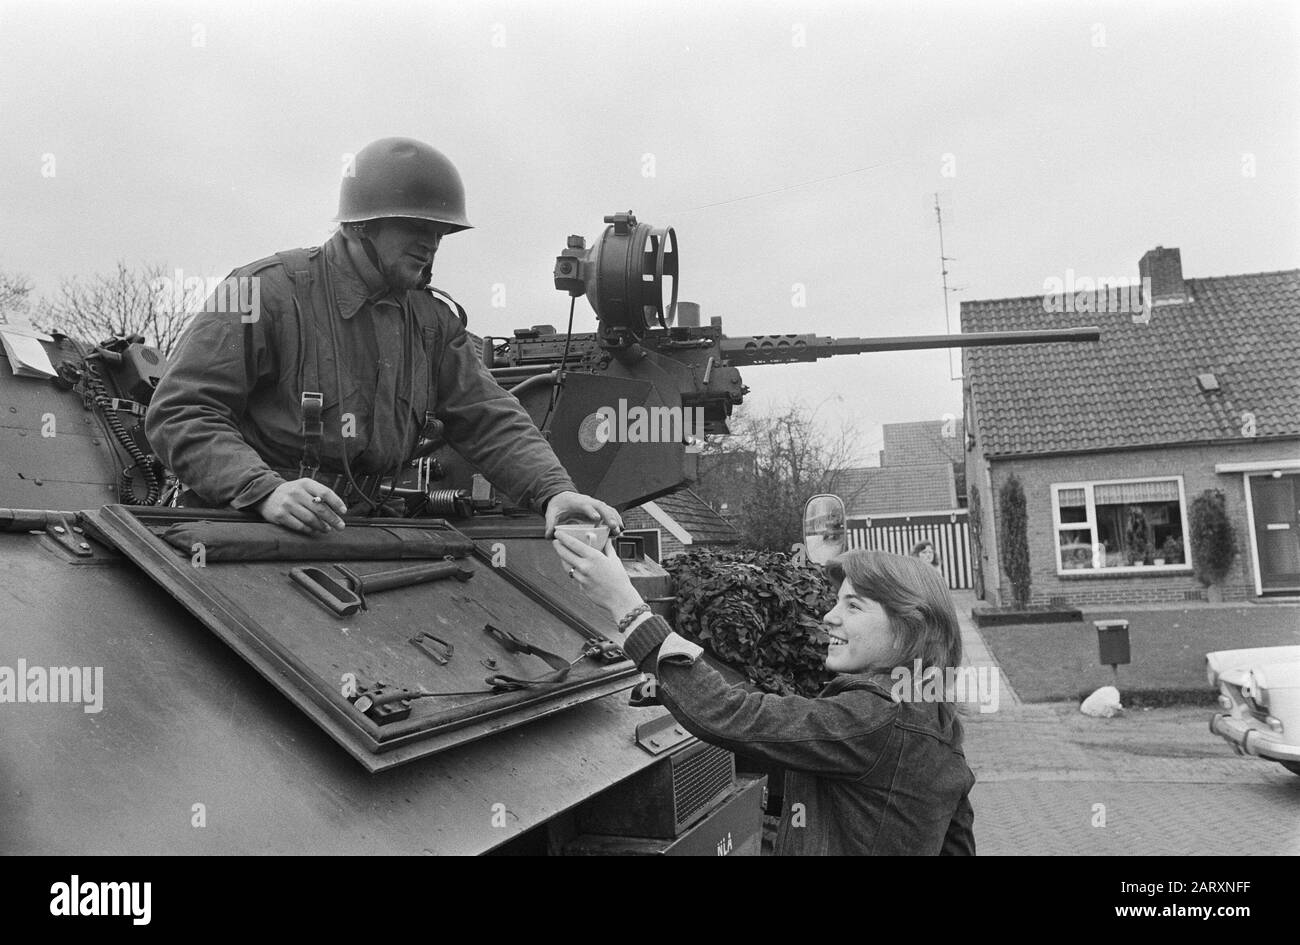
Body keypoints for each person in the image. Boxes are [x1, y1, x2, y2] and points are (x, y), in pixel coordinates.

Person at [146, 136, 620, 537]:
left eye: (440, 231)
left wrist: (555, 493)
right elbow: (180, 412)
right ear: (359, 226)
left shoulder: (431, 321)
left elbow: (487, 418)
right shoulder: (263, 291)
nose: (431, 243)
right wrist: (263, 489)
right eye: (415, 226)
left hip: (364, 528)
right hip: (245, 526)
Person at [554, 535, 976, 855]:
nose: (829, 616)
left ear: (911, 627)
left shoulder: (874, 718)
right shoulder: (934, 719)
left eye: (854, 606)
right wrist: (672, 688)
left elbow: (731, 715)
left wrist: (627, 608)